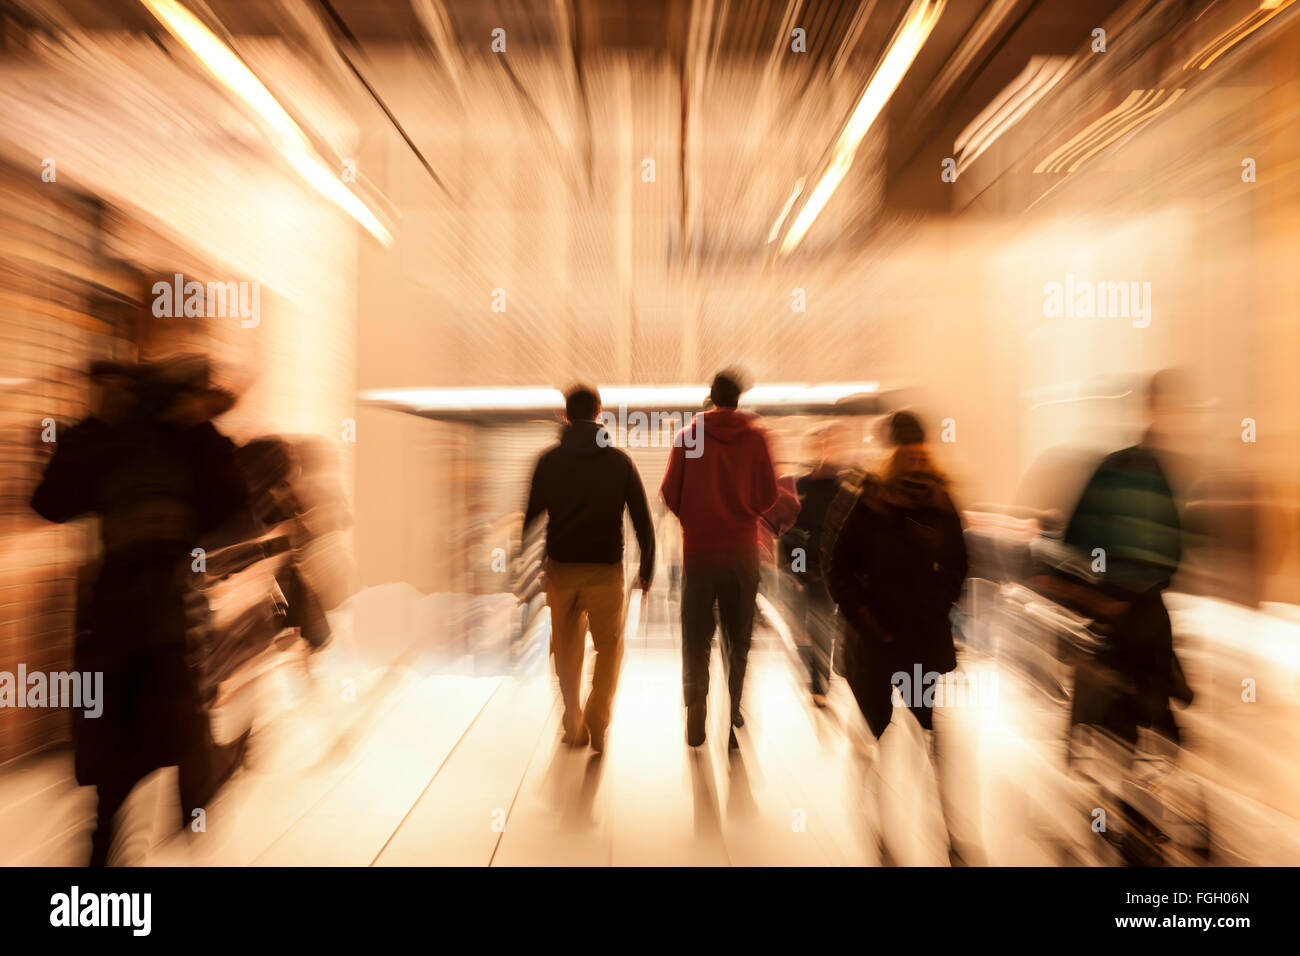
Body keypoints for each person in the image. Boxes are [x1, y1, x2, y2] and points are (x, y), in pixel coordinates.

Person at [31, 355, 253, 866]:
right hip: (122, 608)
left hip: (164, 605)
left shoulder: (178, 438)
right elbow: (51, 502)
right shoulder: (108, 440)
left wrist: (198, 425)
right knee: (125, 731)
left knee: (165, 725)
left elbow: (229, 506)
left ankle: (177, 802)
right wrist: (93, 426)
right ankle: (113, 836)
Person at [823, 411, 980, 864]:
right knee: (880, 733)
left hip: (913, 639)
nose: (914, 458)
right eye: (906, 450)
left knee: (924, 731)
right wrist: (866, 618)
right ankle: (884, 824)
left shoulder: (933, 498)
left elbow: (958, 562)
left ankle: (941, 829)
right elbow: (837, 567)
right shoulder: (870, 497)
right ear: (895, 451)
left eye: (917, 449)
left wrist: (938, 603)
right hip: (877, 640)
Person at [522, 385, 655, 754]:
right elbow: (643, 521)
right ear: (599, 412)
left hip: (561, 569)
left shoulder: (548, 461)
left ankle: (573, 720)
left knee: (566, 649)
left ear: (565, 415)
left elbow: (531, 515)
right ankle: (597, 715)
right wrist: (647, 568)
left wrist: (523, 567)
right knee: (609, 649)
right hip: (605, 571)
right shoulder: (619, 461)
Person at [660, 370, 785, 749]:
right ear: (738, 398)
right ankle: (732, 710)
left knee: (696, 634)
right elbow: (770, 495)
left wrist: (696, 519)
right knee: (738, 635)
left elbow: (669, 493)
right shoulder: (757, 438)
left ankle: (696, 703)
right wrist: (744, 514)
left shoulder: (689, 437)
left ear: (712, 397)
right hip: (742, 553)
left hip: (699, 553)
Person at [780, 423, 850, 706]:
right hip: (809, 569)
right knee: (810, 625)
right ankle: (817, 678)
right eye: (820, 445)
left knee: (827, 625)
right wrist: (799, 572)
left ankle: (823, 678)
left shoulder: (845, 488)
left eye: (830, 445)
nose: (825, 452)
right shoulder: (800, 487)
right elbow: (790, 531)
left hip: (836, 568)